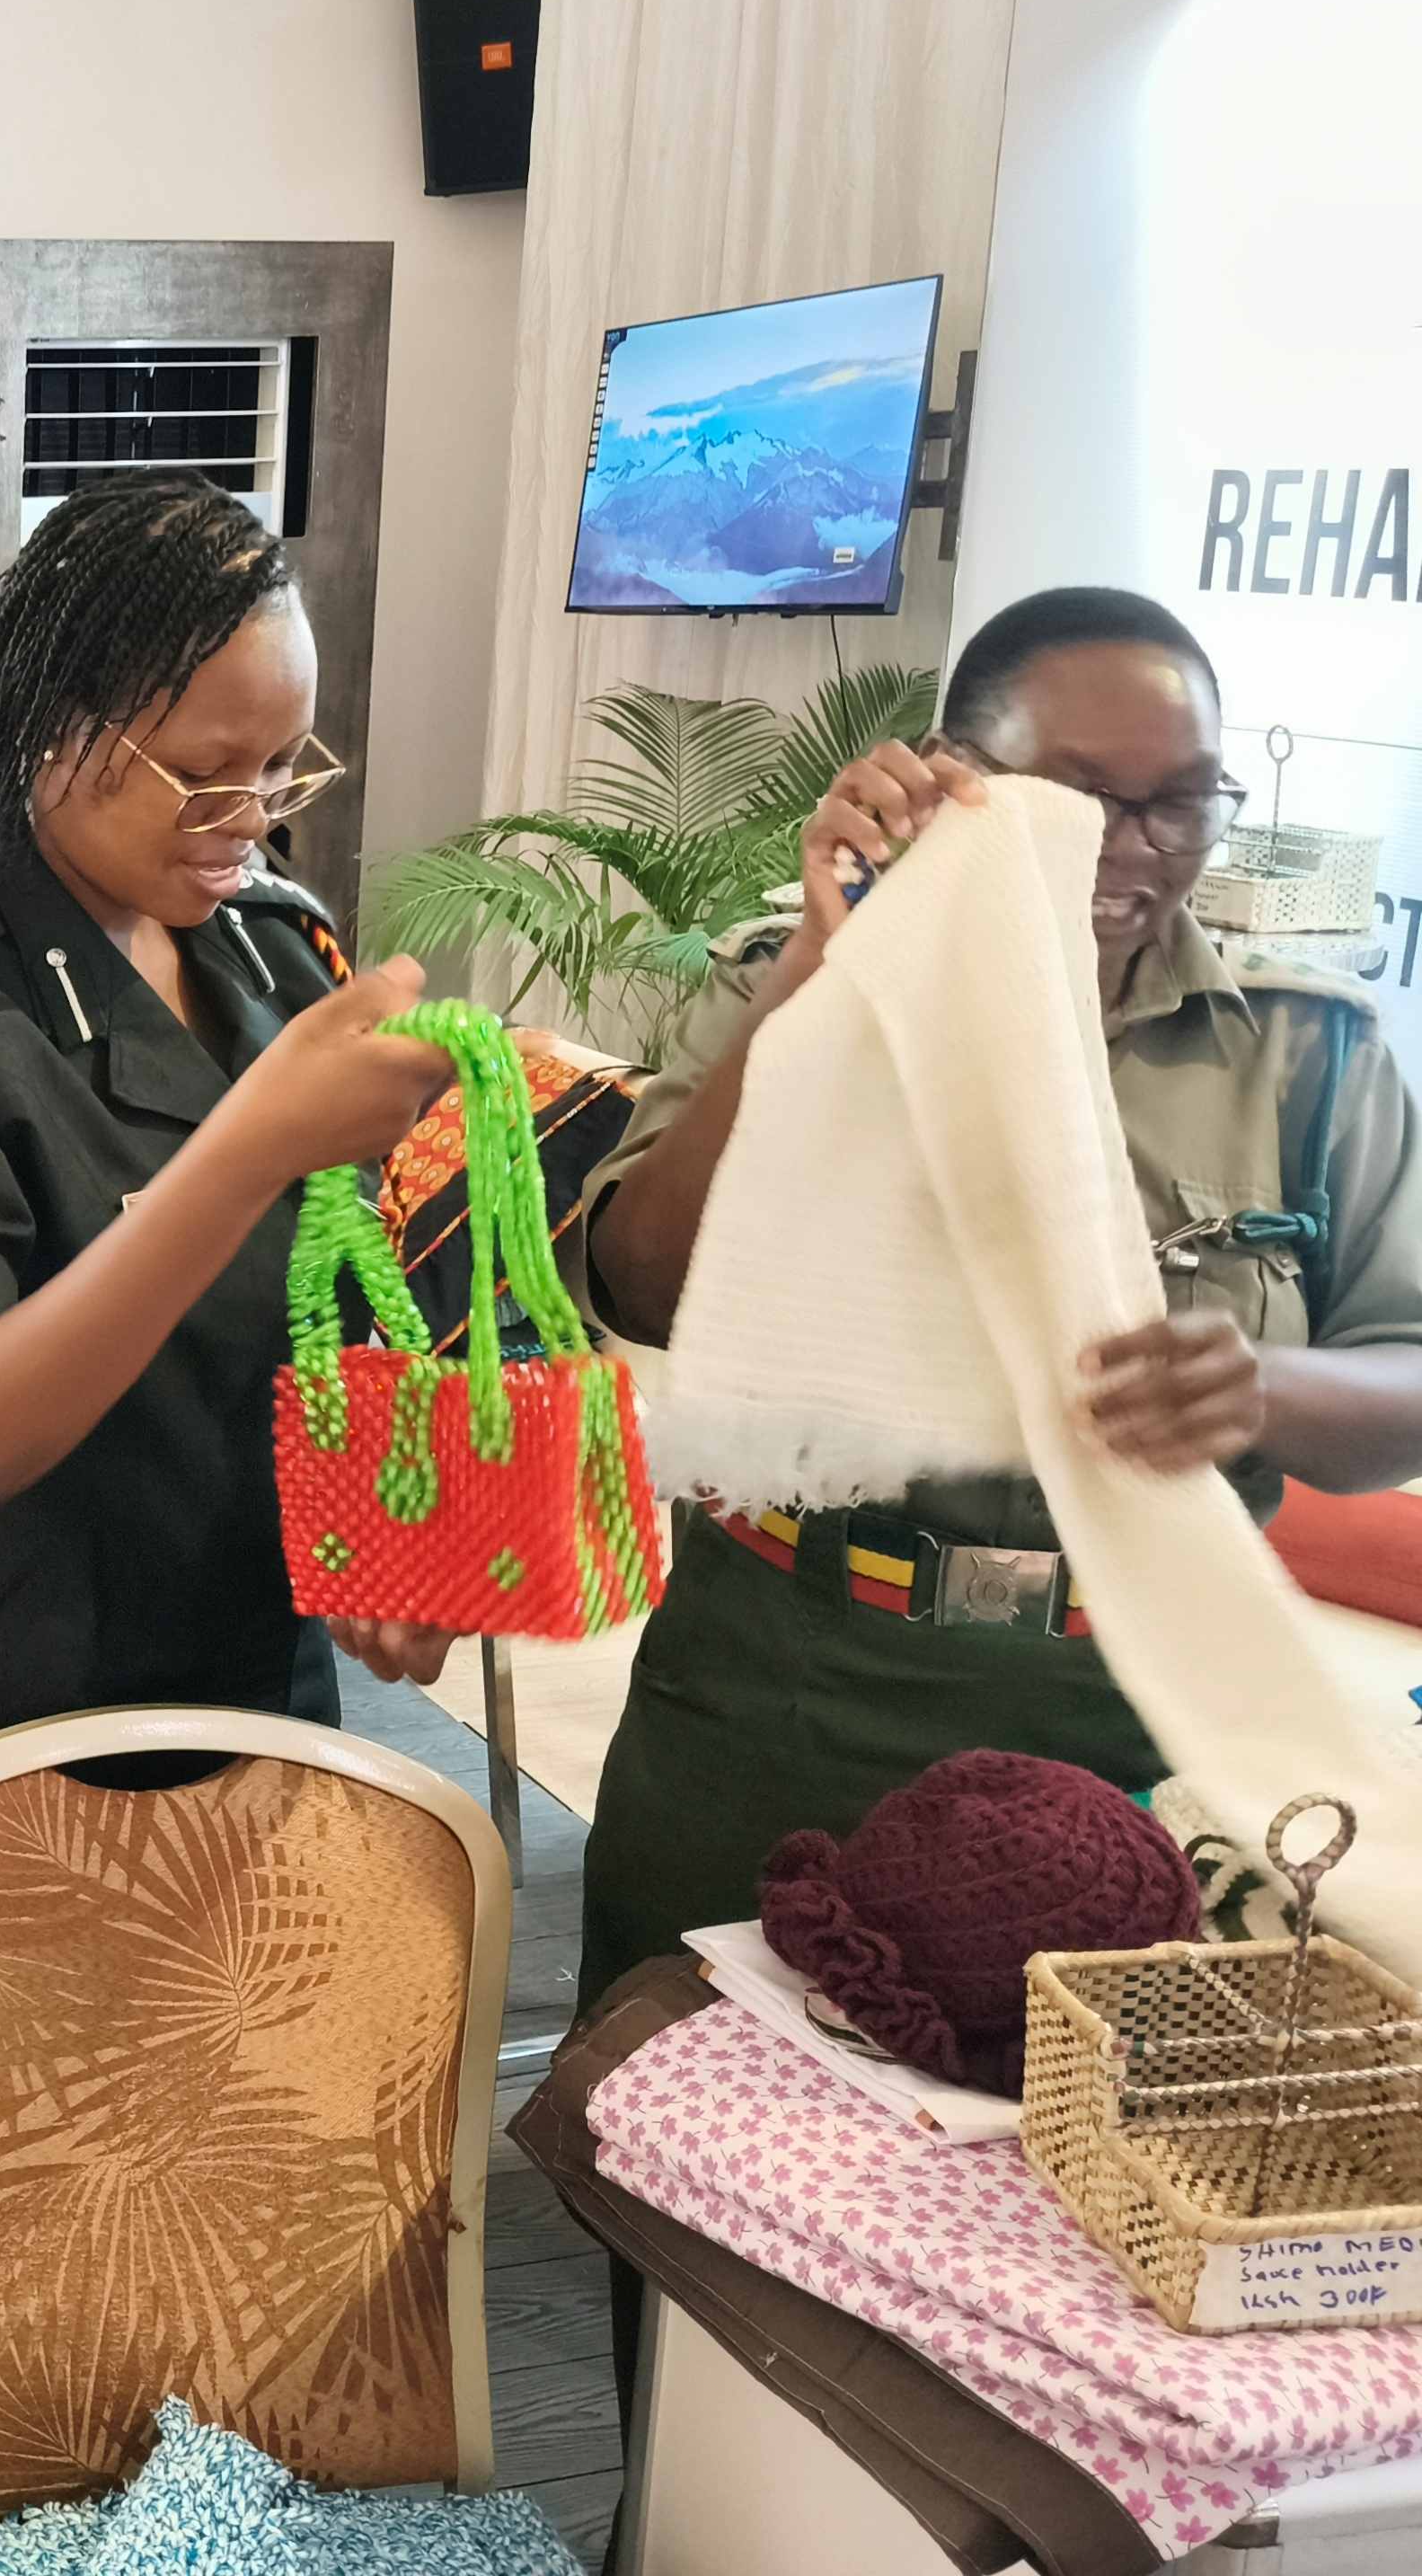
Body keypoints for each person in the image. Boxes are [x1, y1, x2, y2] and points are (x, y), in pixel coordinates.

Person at [571, 584, 1422, 2011]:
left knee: (1066, 2174)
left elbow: (1404, 1385)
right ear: (954, 783)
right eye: (1080, 800)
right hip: (795, 1692)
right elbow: (638, 1286)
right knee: (691, 2143)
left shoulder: (1301, 1054)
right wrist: (818, 980)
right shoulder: (798, 977)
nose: (1134, 853)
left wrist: (1262, 1388)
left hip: (1128, 1724)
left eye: (1183, 805)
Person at [0, 473, 459, 1830]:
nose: (251, 815)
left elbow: (364, 1296)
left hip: (248, 1690)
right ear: (43, 726)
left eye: (281, 767)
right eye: (201, 772)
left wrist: (401, 1525)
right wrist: (249, 1145)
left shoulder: (276, 948)